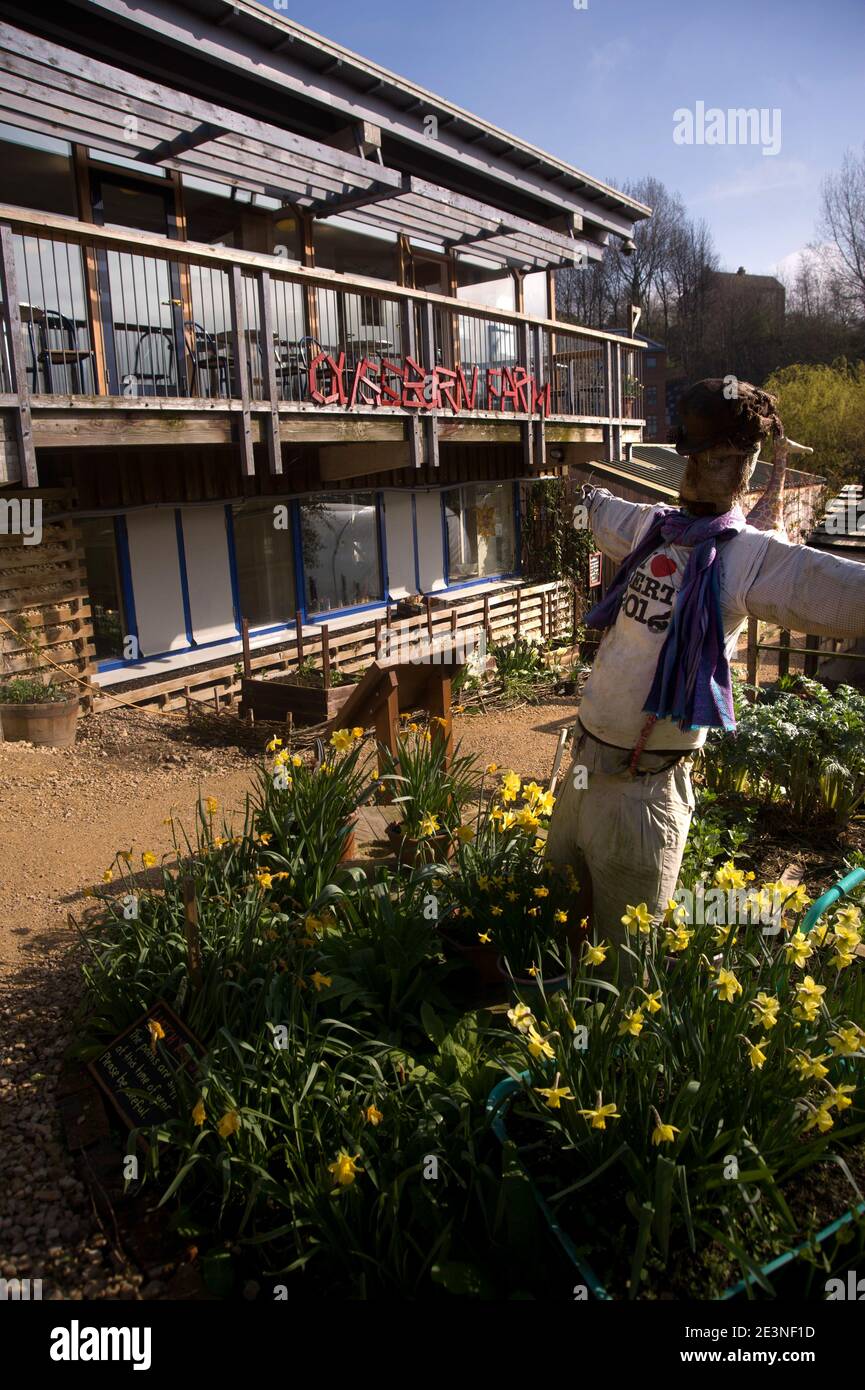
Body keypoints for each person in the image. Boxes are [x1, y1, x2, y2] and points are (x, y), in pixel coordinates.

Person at [545, 377, 865, 976]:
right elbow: (599, 510)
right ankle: (538, 1034)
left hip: (644, 787)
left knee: (621, 965)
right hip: (584, 766)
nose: (700, 472)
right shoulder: (654, 528)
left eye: (718, 458)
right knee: (554, 915)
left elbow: (835, 588)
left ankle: (600, 1059)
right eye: (693, 456)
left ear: (746, 461)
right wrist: (574, 491)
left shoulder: (746, 558)